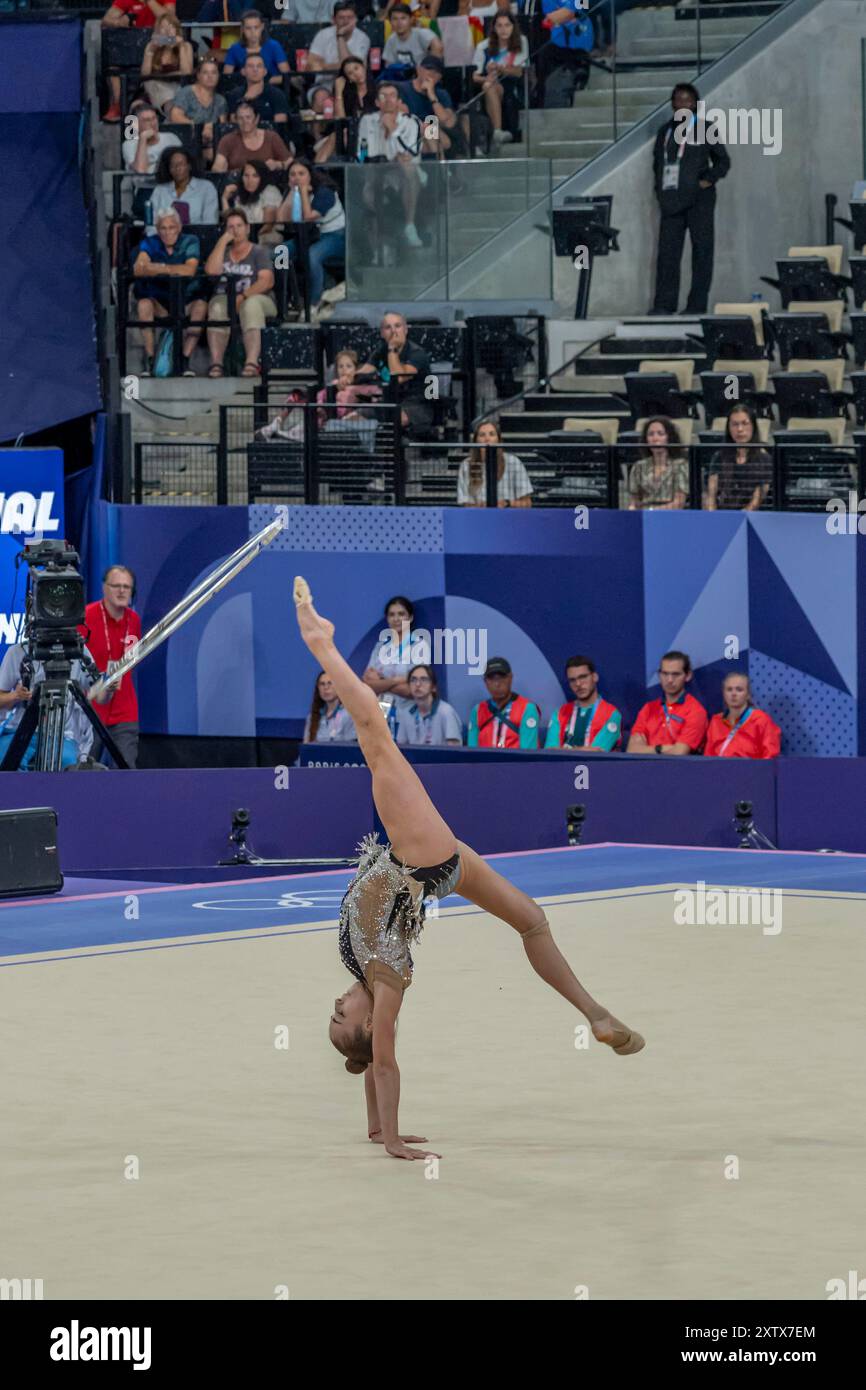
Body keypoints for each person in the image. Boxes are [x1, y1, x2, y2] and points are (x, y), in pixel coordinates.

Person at [293, 577, 644, 1161]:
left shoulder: (364, 975)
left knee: (532, 922)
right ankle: (320, 642)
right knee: (376, 736)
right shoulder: (384, 978)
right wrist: (396, 1143)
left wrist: (378, 1127)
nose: (333, 1007)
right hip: (417, 857)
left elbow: (367, 1060)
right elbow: (383, 1059)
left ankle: (596, 1013)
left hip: (437, 864)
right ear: (367, 1018)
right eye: (339, 1020)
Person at [651, 83, 730, 316]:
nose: (683, 104)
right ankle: (664, 305)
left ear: (695, 104)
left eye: (688, 100)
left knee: (702, 252)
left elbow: (723, 161)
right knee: (667, 255)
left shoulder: (705, 128)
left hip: (699, 200)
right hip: (671, 200)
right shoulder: (664, 131)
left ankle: (696, 305)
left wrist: (707, 180)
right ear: (673, 104)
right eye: (678, 100)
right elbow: (657, 165)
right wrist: (659, 190)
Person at [78, 565, 143, 769]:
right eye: (116, 586)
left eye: (127, 586)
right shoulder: (86, 617)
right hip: (91, 708)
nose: (122, 591)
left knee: (126, 768)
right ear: (104, 588)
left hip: (124, 709)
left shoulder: (134, 620)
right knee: (85, 769)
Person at [131, 209, 209, 375]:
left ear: (179, 227)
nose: (167, 232)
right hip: (159, 299)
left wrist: (159, 268)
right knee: (144, 304)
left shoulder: (190, 241)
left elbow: (189, 270)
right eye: (163, 228)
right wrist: (174, 270)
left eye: (171, 227)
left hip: (186, 298)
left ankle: (185, 360)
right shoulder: (150, 243)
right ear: (158, 230)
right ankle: (151, 360)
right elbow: (139, 268)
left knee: (201, 306)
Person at [205, 209, 277, 377]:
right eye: (230, 227)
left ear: (247, 228)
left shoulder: (259, 252)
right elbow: (211, 271)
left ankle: (251, 362)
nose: (235, 230)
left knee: (250, 305)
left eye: (239, 226)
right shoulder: (222, 251)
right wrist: (222, 242)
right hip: (226, 297)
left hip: (259, 299)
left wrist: (243, 296)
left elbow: (267, 281)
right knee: (216, 306)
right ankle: (217, 363)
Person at [0, 642, 95, 770]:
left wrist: (108, 688)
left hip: (62, 736)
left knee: (68, 767)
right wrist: (16, 696)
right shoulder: (17, 651)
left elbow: (99, 695)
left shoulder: (77, 649)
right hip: (18, 731)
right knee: (7, 763)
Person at [356, 84, 423, 248]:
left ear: (399, 101)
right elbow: (362, 151)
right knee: (369, 196)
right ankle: (384, 242)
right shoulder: (367, 120)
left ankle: (409, 225)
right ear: (377, 102)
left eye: (392, 95)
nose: (388, 99)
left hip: (403, 172)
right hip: (375, 171)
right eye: (383, 96)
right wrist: (365, 159)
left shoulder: (410, 121)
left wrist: (392, 129)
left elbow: (411, 153)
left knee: (408, 168)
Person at [275, 160, 346, 312]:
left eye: (301, 174)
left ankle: (314, 303)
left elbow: (308, 216)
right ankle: (286, 297)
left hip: (334, 236)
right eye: (292, 174)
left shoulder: (324, 192)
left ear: (310, 175)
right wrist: (291, 192)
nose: (297, 178)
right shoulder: (295, 192)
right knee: (279, 253)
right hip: (308, 236)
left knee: (312, 256)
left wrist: (302, 192)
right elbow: (281, 218)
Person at [101, 0, 177, 122]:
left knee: (170, 107)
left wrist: (150, 2)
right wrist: (120, 22)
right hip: (136, 56)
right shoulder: (149, 48)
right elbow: (105, 20)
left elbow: (170, 19)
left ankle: (175, 129)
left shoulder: (182, 46)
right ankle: (120, 109)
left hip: (163, 76)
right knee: (134, 107)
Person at [358, 311, 433, 434]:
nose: (393, 331)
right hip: (388, 402)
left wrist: (392, 348)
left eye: (397, 326)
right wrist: (348, 378)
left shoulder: (417, 353)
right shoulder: (380, 351)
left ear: (405, 330)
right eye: (388, 327)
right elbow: (364, 372)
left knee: (395, 418)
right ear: (382, 333)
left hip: (418, 405)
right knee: (354, 417)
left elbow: (398, 377)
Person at [362, 594, 431, 721]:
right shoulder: (380, 647)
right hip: (380, 714)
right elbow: (368, 683)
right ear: (387, 619)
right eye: (392, 615)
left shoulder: (419, 645)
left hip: (408, 715)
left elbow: (414, 689)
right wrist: (398, 680)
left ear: (410, 618)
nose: (396, 619)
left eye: (401, 614)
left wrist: (382, 680)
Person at [626, 650, 708, 756]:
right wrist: (660, 748)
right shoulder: (648, 708)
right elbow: (632, 750)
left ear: (688, 676)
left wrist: (646, 749)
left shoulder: (696, 711)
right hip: (645, 769)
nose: (669, 680)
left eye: (676, 674)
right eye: (665, 673)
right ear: (659, 675)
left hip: (679, 770)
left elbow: (679, 753)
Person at [471, 10, 527, 148]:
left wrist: (499, 68)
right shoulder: (483, 46)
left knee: (489, 86)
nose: (503, 29)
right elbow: (474, 76)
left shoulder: (521, 41)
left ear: (513, 27)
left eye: (507, 25)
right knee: (487, 85)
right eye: (499, 26)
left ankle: (495, 131)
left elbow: (519, 72)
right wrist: (486, 77)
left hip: (510, 84)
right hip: (489, 84)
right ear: (494, 28)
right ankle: (497, 131)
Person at [544, 656, 622, 750]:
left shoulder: (611, 714)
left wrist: (565, 750)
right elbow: (550, 751)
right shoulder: (560, 713)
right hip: (562, 765)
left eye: (583, 677)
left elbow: (596, 752)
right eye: (572, 680)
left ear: (594, 677)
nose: (578, 684)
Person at [706, 405, 772, 512]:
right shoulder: (719, 456)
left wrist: (736, 519)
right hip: (721, 516)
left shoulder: (764, 459)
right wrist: (713, 516)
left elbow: (756, 501)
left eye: (745, 424)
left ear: (753, 426)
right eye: (735, 425)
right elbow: (711, 495)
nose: (740, 429)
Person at [467, 656, 541, 749]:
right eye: (492, 679)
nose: (497, 684)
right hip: (485, 763)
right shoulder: (477, 711)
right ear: (485, 682)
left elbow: (529, 754)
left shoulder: (527, 708)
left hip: (516, 763)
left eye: (501, 677)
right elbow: (472, 752)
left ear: (510, 678)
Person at [704, 673, 780, 759]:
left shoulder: (761, 720)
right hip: (718, 771)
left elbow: (770, 757)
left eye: (739, 690)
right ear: (724, 694)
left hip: (751, 771)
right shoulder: (716, 720)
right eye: (729, 689)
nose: (733, 694)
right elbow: (708, 758)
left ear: (748, 695)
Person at [457, 419, 532, 507]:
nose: (487, 439)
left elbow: (527, 503)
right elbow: (466, 505)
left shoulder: (514, 462)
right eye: (482, 435)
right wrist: (481, 507)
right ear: (476, 441)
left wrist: (506, 503)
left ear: (499, 440)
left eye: (492, 434)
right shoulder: (466, 465)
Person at [397, 54, 460, 157]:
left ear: (440, 77)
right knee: (427, 127)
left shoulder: (441, 94)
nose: (431, 74)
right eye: (428, 69)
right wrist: (420, 126)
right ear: (418, 70)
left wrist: (432, 95)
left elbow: (447, 122)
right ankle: (434, 168)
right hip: (408, 132)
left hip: (434, 135)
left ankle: (433, 167)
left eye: (436, 72)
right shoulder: (402, 89)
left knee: (430, 124)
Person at [534, 0, 593, 110]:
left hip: (581, 39)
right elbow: (550, 18)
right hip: (558, 41)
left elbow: (582, 8)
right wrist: (566, 13)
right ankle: (541, 100)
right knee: (543, 53)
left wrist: (567, 13)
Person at [168, 56, 228, 162]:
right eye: (205, 73)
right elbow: (175, 116)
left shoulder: (220, 100)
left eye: (214, 73)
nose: (210, 76)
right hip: (184, 138)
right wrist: (199, 128)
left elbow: (221, 126)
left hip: (207, 142)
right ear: (198, 75)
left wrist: (211, 131)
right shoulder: (186, 92)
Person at [212, 102, 294, 175]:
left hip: (266, 184)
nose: (245, 121)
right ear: (236, 120)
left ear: (256, 118)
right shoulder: (227, 140)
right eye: (240, 118)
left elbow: (290, 162)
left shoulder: (272, 137)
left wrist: (278, 165)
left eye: (248, 117)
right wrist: (220, 169)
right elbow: (218, 167)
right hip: (237, 184)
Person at [148, 147, 219, 231]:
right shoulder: (160, 190)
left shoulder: (206, 188)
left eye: (181, 164)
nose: (177, 168)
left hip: (196, 239)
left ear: (189, 166)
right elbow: (151, 225)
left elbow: (209, 224)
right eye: (173, 165)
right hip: (163, 240)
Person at [627, 417, 689, 511]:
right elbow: (634, 501)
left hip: (671, 516)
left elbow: (679, 503)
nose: (655, 439)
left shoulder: (680, 465)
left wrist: (652, 511)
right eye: (651, 434)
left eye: (660, 434)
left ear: (669, 437)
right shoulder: (639, 466)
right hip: (644, 516)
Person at [139, 12, 194, 115]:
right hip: (154, 88)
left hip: (177, 87)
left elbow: (187, 72)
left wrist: (180, 47)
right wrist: (151, 51)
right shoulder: (151, 47)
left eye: (171, 27)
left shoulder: (186, 46)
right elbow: (145, 74)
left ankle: (172, 113)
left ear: (177, 30)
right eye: (163, 27)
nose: (168, 31)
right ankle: (171, 112)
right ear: (158, 31)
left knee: (176, 93)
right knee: (150, 87)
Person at [308, 3, 371, 90]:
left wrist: (340, 36)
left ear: (355, 19)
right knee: (320, 97)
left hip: (353, 85)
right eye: (341, 18)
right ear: (333, 20)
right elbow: (312, 64)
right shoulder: (322, 35)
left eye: (350, 17)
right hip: (324, 85)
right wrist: (339, 66)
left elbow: (350, 67)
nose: (346, 21)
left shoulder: (362, 38)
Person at [395, 665, 462, 746]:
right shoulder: (406, 714)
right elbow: (401, 748)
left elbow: (455, 752)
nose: (418, 684)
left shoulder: (446, 712)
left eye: (423, 679)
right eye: (413, 680)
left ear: (433, 687)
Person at [223, 9, 291, 84]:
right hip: (244, 90)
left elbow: (287, 76)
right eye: (248, 28)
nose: (253, 32)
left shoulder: (274, 46)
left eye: (256, 27)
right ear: (242, 29)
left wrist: (259, 81)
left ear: (262, 27)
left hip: (272, 89)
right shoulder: (235, 48)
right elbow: (227, 78)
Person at [226, 53, 291, 127]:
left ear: (265, 71)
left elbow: (280, 127)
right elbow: (233, 125)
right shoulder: (234, 95)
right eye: (250, 66)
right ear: (243, 71)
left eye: (259, 66)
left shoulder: (277, 95)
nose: (255, 69)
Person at [221, 161, 283, 237]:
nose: (250, 180)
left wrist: (248, 241)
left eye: (255, 176)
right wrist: (224, 199)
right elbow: (231, 224)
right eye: (246, 176)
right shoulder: (240, 196)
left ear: (262, 177)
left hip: (268, 239)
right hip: (246, 239)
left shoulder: (270, 191)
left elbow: (268, 226)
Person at [122, 103, 181, 174]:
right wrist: (143, 139)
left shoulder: (171, 138)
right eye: (147, 120)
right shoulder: (129, 145)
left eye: (154, 118)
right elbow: (140, 171)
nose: (153, 123)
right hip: (141, 185)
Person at [382, 4, 443, 69]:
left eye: (403, 18)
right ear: (390, 22)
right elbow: (388, 65)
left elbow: (438, 47)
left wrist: (430, 69)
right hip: (403, 77)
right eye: (395, 19)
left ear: (411, 20)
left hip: (424, 75)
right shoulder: (391, 39)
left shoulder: (421, 33)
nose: (399, 23)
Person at [304, 670, 358, 742]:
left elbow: (351, 748)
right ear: (318, 689)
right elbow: (306, 747)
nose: (326, 687)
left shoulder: (349, 715)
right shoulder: (312, 717)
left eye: (330, 683)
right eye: (322, 684)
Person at [334, 55, 377, 122]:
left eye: (356, 68)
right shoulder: (348, 96)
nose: (356, 74)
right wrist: (338, 93)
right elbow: (341, 122)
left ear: (364, 67)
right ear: (349, 79)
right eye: (350, 73)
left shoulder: (378, 89)